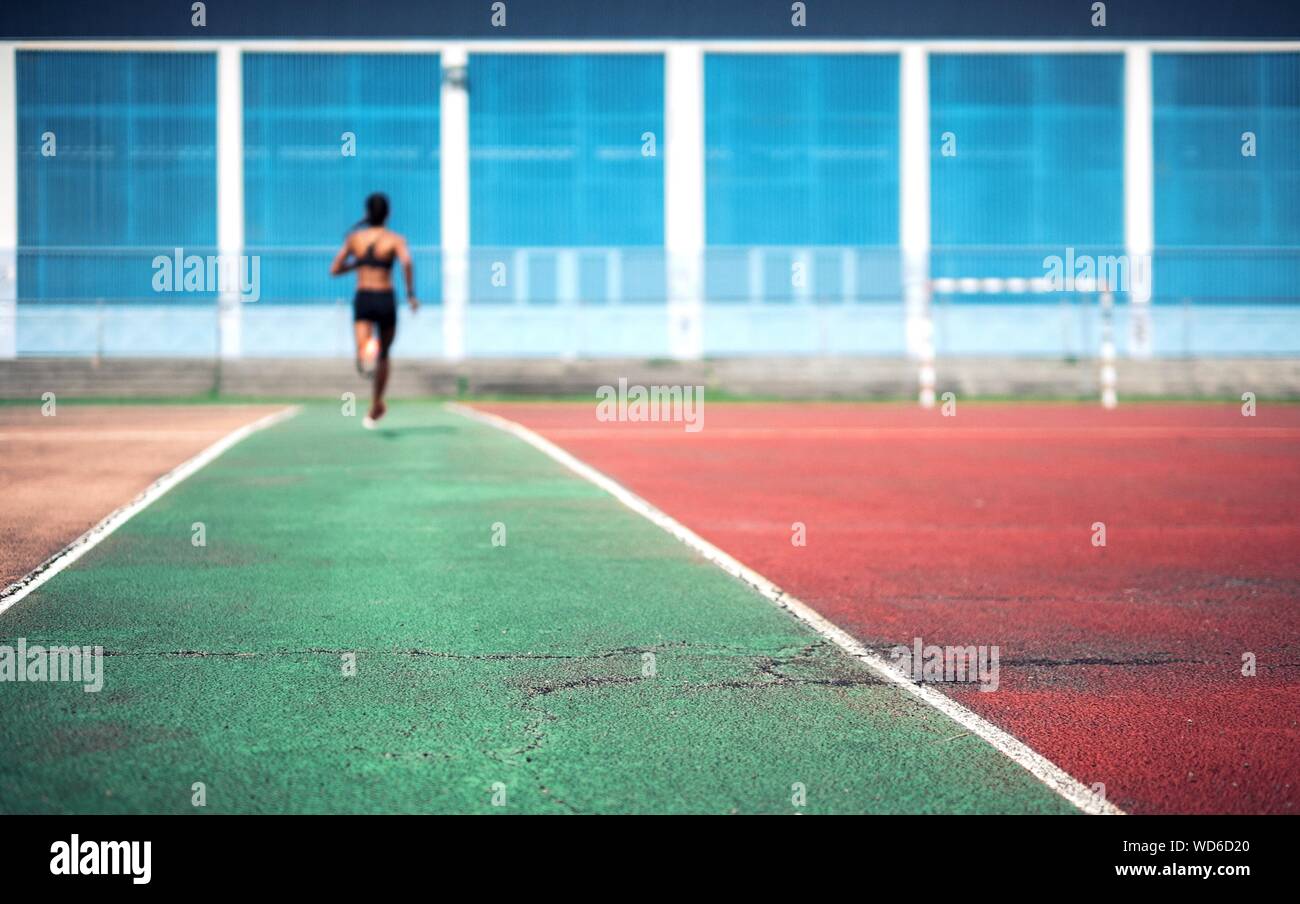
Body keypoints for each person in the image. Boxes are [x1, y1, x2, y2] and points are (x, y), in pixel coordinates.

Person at [330, 193, 418, 428]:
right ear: (387, 214)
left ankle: (370, 348)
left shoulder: (355, 239)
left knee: (363, 348)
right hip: (385, 298)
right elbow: (407, 262)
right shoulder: (395, 239)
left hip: (364, 297)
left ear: (367, 213)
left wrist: (358, 264)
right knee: (385, 356)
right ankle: (377, 401)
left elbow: (335, 269)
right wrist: (411, 294)